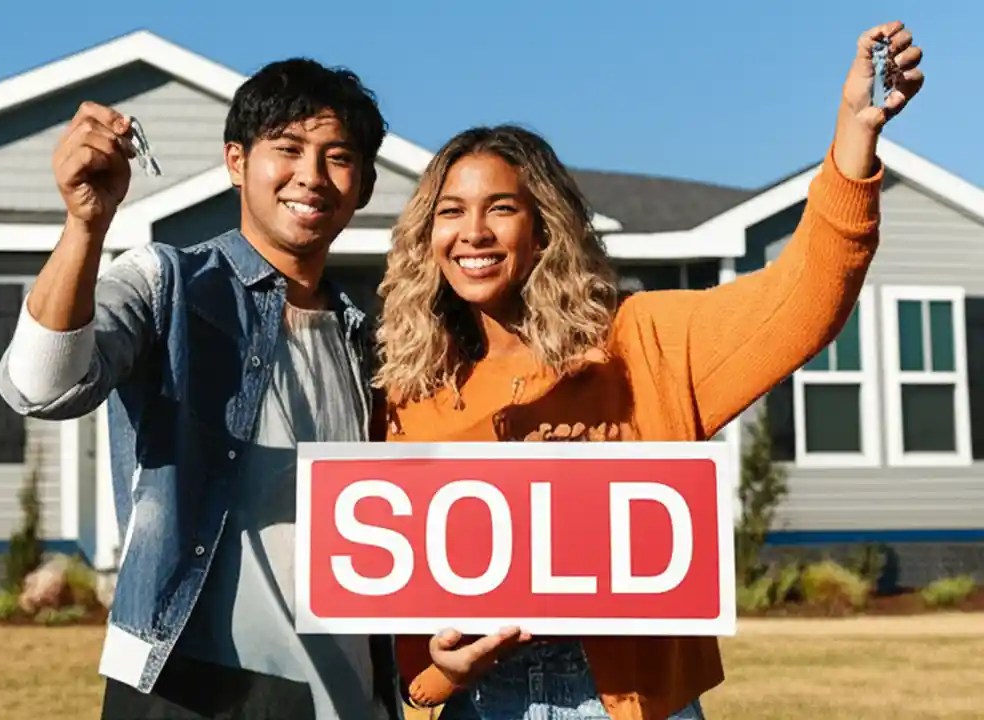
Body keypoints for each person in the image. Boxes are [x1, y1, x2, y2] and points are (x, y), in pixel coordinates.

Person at [372, 21, 923, 720]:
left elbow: (805, 298)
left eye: (500, 208)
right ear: (428, 237)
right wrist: (433, 676)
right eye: (451, 212)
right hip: (483, 702)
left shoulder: (647, 340)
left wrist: (853, 130)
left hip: (625, 701)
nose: (472, 233)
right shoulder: (411, 390)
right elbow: (389, 586)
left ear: (544, 228)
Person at [0, 58, 404, 720]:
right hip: (192, 687)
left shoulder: (371, 342)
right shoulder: (168, 283)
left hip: (348, 691)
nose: (311, 176)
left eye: (339, 156)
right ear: (236, 162)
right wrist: (85, 225)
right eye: (289, 149)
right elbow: (41, 385)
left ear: (364, 185)